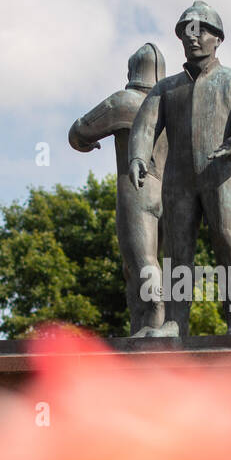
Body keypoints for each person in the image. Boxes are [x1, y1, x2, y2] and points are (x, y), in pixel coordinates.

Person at [128, 2, 231, 335]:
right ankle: (176, 321)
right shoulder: (166, 88)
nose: (193, 37)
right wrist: (137, 157)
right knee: (178, 252)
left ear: (217, 38)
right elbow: (145, 127)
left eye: (201, 30)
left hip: (221, 175)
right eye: (186, 32)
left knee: (229, 242)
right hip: (178, 181)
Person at [69, 43, 173, 335]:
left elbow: (79, 131)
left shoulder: (125, 101)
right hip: (171, 193)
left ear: (131, 71)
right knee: (160, 262)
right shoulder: (172, 102)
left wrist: (86, 143)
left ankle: (153, 322)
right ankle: (155, 323)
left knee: (140, 262)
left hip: (137, 188)